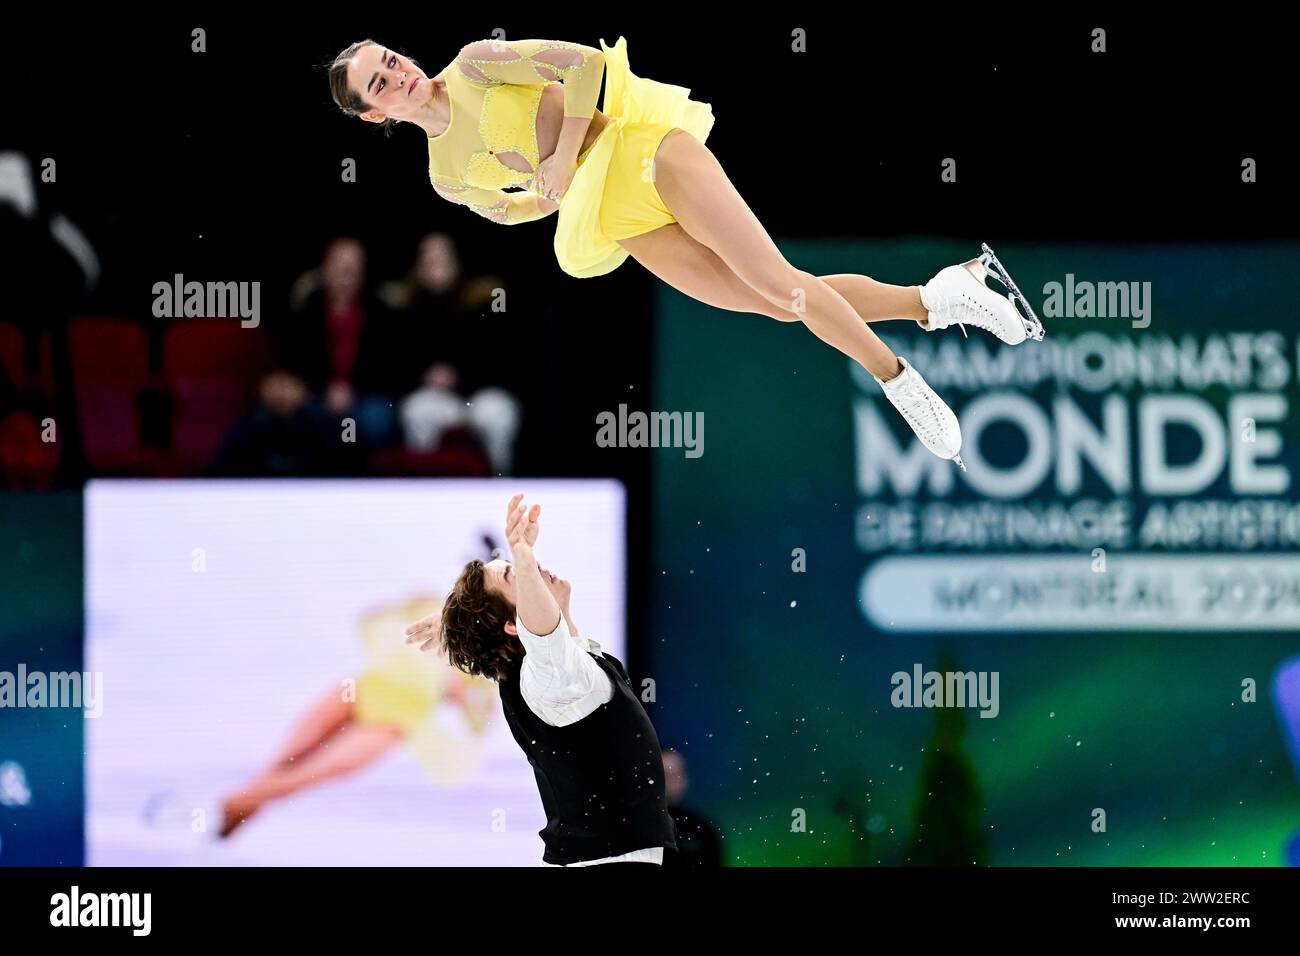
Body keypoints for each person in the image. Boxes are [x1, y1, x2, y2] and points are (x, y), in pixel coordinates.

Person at [327, 36, 1046, 470]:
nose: (400, 74)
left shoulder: (477, 63)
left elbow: (582, 65)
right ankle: (941, 298)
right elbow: (499, 205)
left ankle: (899, 382)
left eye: (391, 59)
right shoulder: (442, 175)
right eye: (381, 82)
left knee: (780, 284)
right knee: (775, 302)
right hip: (614, 218)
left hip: (640, 152)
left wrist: (566, 147)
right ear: (373, 114)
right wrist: (540, 197)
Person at [406, 494, 676, 866]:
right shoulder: (542, 678)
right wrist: (521, 553)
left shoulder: (551, 669)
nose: (529, 567)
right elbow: (544, 636)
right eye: (514, 572)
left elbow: (553, 640)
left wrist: (462, 624)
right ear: (515, 626)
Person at [383, 232, 523, 473]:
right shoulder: (406, 309)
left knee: (499, 412)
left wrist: (459, 376)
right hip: (433, 398)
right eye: (429, 261)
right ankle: (424, 488)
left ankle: (502, 482)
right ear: (418, 266)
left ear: (456, 262)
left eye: (442, 259)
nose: (435, 267)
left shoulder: (483, 304)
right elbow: (394, 364)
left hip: (478, 397)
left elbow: (501, 361)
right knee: (417, 410)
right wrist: (425, 376)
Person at [661, 748, 723, 867]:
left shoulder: (702, 830)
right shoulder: (634, 827)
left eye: (674, 774)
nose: (669, 781)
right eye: (665, 774)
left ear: (685, 779)